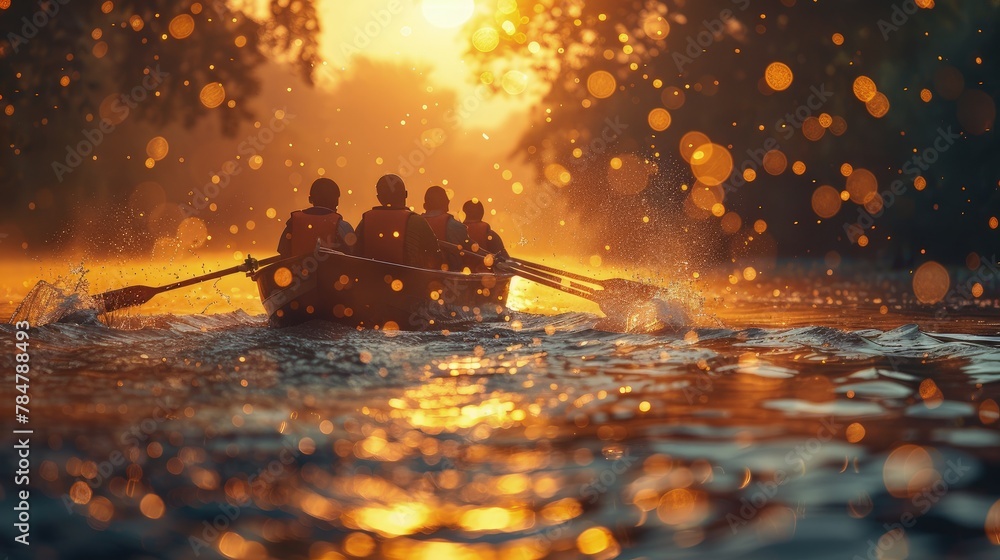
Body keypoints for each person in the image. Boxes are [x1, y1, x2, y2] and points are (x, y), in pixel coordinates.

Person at [354, 174, 443, 269]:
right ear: (405, 194)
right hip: (409, 281)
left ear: (379, 198)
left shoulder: (365, 222)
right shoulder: (417, 221)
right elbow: (436, 257)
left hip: (370, 280)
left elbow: (353, 253)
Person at [277, 177, 356, 256]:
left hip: (297, 268)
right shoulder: (343, 227)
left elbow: (283, 255)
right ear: (337, 201)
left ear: (310, 199)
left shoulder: (292, 225)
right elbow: (355, 256)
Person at [421, 186, 474, 272]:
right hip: (451, 279)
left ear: (425, 206)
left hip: (422, 276)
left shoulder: (415, 224)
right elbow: (470, 251)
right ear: (446, 204)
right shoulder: (457, 226)